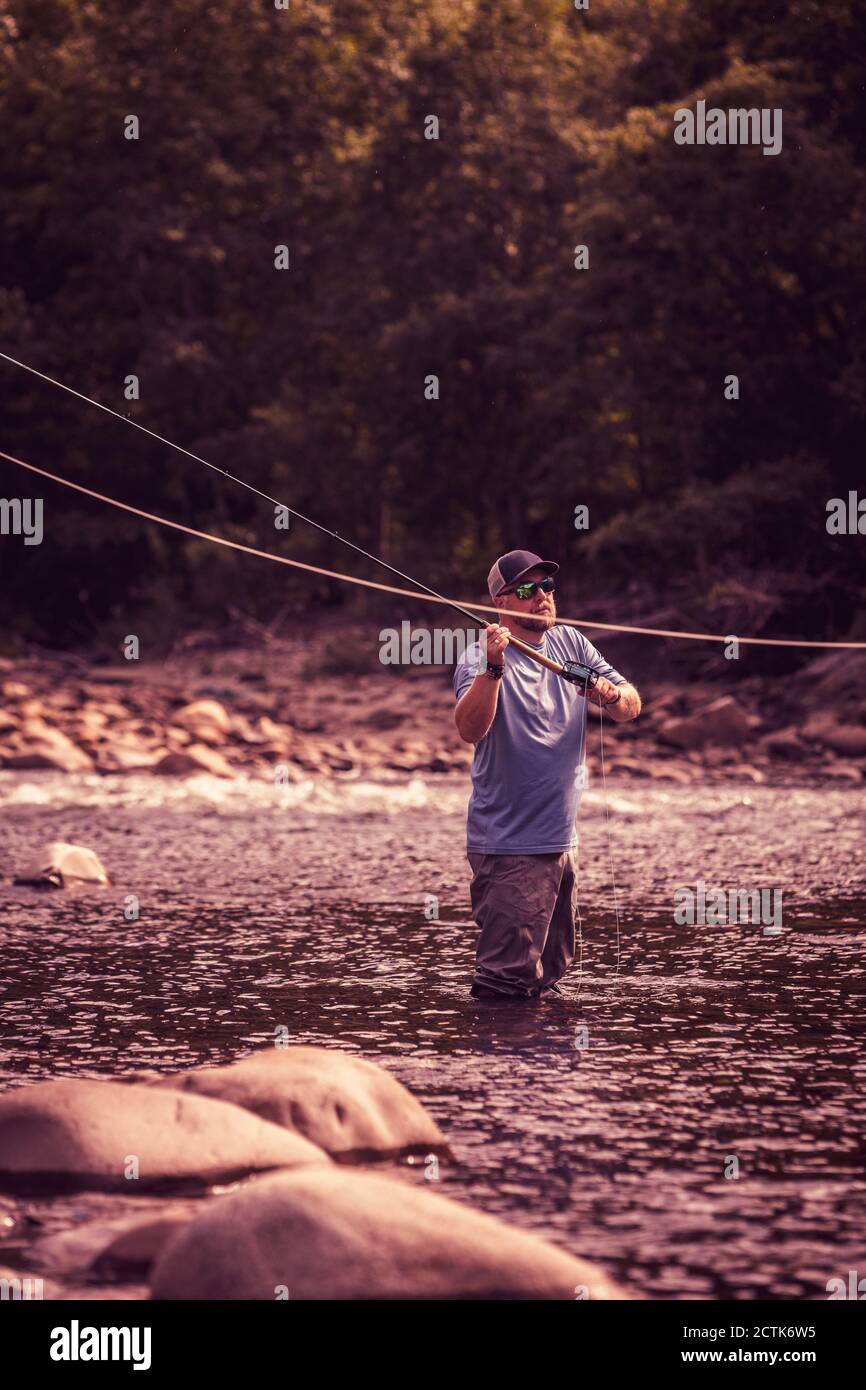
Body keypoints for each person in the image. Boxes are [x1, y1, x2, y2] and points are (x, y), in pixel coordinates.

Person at [453, 549, 641, 1000]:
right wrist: (494, 668)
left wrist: (611, 694)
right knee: (504, 982)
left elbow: (631, 707)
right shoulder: (478, 658)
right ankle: (502, 1065)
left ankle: (544, 1065)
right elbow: (469, 728)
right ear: (502, 603)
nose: (541, 597)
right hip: (508, 844)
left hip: (561, 841)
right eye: (526, 590)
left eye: (547, 587)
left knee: (551, 972)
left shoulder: (572, 644)